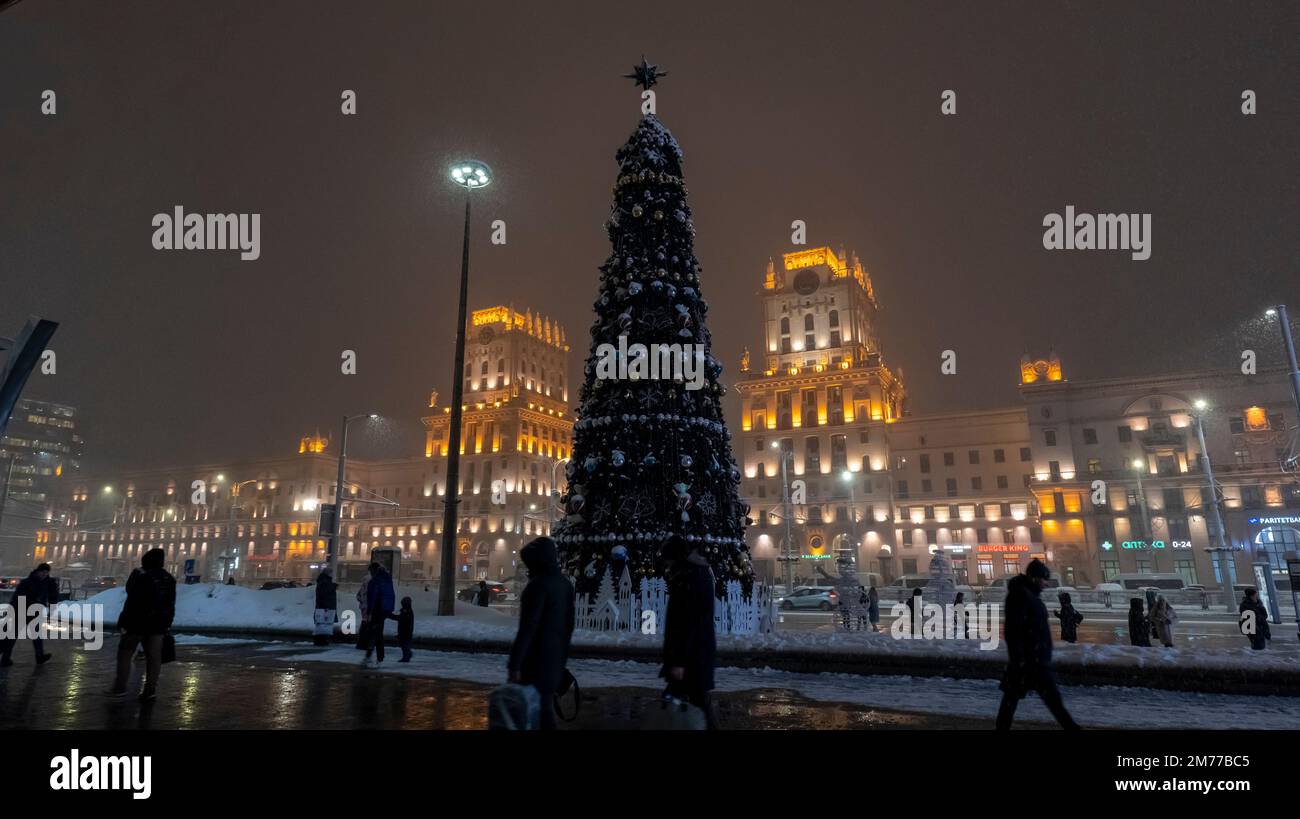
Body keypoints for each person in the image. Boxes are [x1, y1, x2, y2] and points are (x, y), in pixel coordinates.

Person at [995, 559, 1080, 730]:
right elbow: (1013, 631)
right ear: (1034, 578)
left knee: (1011, 702)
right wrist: (1019, 659)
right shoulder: (1021, 596)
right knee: (1053, 703)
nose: (1047, 584)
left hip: (1033, 660)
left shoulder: (1028, 595)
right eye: (1044, 579)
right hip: (1030, 662)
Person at [507, 537, 575, 730]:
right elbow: (569, 626)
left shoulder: (537, 587)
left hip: (533, 664)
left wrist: (514, 665)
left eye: (529, 563)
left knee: (528, 717)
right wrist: (561, 660)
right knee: (544, 713)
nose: (528, 569)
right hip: (554, 663)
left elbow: (527, 629)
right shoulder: (565, 585)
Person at [660, 535, 719, 730]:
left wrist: (679, 661)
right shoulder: (696, 573)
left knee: (696, 706)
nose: (665, 564)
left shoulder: (687, 577)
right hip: (696, 654)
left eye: (667, 558)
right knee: (695, 705)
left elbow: (686, 622)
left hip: (690, 658)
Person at [109, 549, 176, 701]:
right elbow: (170, 604)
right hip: (158, 625)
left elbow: (131, 596)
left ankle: (120, 688)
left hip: (136, 623)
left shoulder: (141, 575)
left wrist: (123, 622)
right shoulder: (168, 578)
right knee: (154, 658)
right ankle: (150, 690)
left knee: (125, 653)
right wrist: (167, 624)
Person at [1, 563, 58, 667]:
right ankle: (5, 658)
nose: (44, 574)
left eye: (46, 573)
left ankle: (39, 657)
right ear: (38, 571)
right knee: (12, 636)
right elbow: (17, 598)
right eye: (43, 572)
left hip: (35, 612)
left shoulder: (49, 583)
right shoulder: (27, 582)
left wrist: (52, 608)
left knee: (36, 635)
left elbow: (53, 596)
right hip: (21, 612)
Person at [363, 562, 395, 665]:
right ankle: (378, 657)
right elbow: (391, 595)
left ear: (373, 570)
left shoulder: (375, 580)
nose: (370, 574)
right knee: (378, 632)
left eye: (370, 571)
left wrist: (369, 611)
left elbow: (372, 597)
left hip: (377, 608)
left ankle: (372, 656)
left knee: (374, 632)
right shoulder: (387, 579)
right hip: (385, 609)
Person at [313, 567, 337, 647]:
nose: (332, 574)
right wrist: (333, 587)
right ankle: (322, 641)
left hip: (322, 607)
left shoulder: (322, 581)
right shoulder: (325, 582)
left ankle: (321, 640)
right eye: (331, 572)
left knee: (321, 624)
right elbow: (325, 594)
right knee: (325, 623)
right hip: (325, 607)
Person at [389, 596, 414, 662]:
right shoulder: (405, 610)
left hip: (406, 631)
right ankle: (408, 654)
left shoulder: (407, 611)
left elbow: (400, 618)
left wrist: (390, 616)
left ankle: (406, 657)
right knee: (403, 644)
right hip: (403, 630)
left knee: (405, 644)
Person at [355, 570, 372, 651]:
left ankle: (360, 643)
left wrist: (362, 601)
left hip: (363, 607)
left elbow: (357, 596)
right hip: (369, 607)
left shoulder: (363, 586)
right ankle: (366, 643)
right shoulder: (372, 585)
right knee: (368, 625)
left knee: (364, 623)